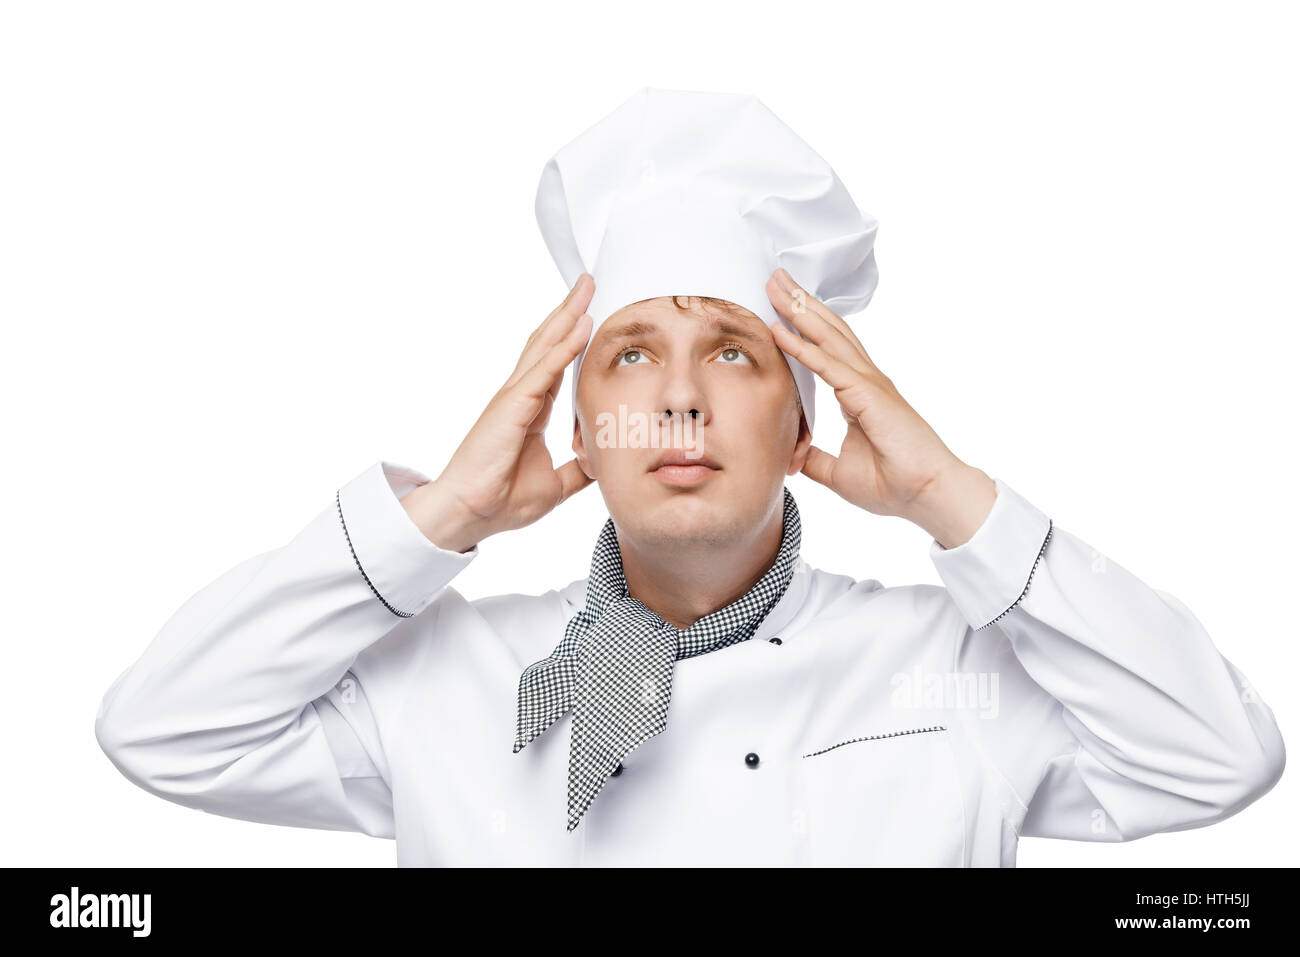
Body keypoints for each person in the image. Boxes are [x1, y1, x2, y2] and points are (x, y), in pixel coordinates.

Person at [95, 89, 1285, 866]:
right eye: (629, 356)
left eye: (732, 352)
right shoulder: (443, 682)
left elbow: (1214, 757)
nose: (679, 398)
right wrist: (439, 518)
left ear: (802, 417)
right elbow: (165, 731)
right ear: (576, 418)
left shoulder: (950, 671)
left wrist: (951, 500)